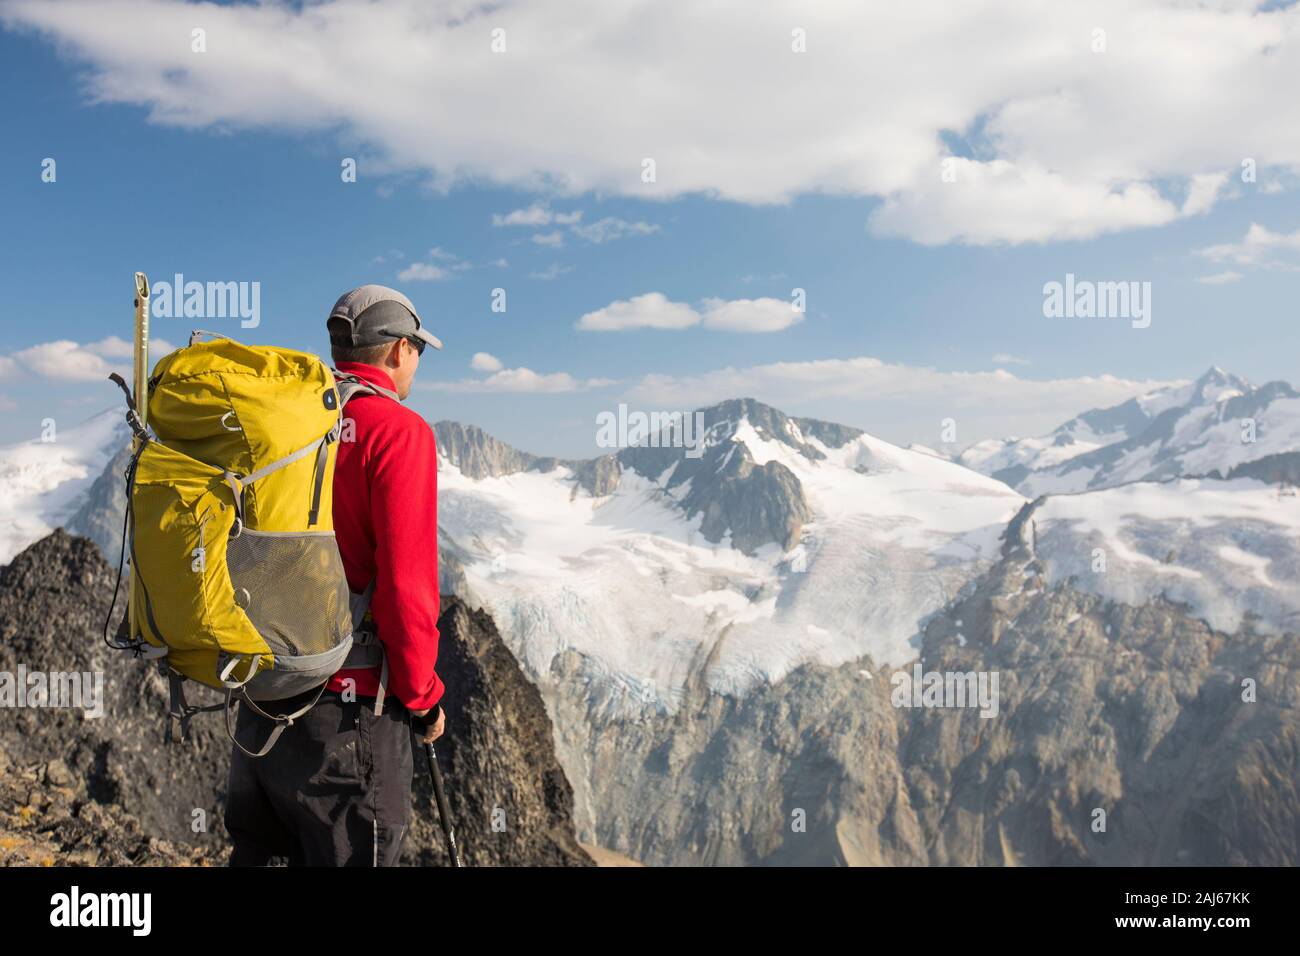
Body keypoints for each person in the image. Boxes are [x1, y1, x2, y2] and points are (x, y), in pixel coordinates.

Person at [225, 284, 445, 866]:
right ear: (398, 350)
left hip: (263, 704)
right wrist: (423, 700)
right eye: (418, 349)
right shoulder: (399, 432)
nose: (417, 362)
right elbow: (406, 590)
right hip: (350, 720)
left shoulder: (286, 426)